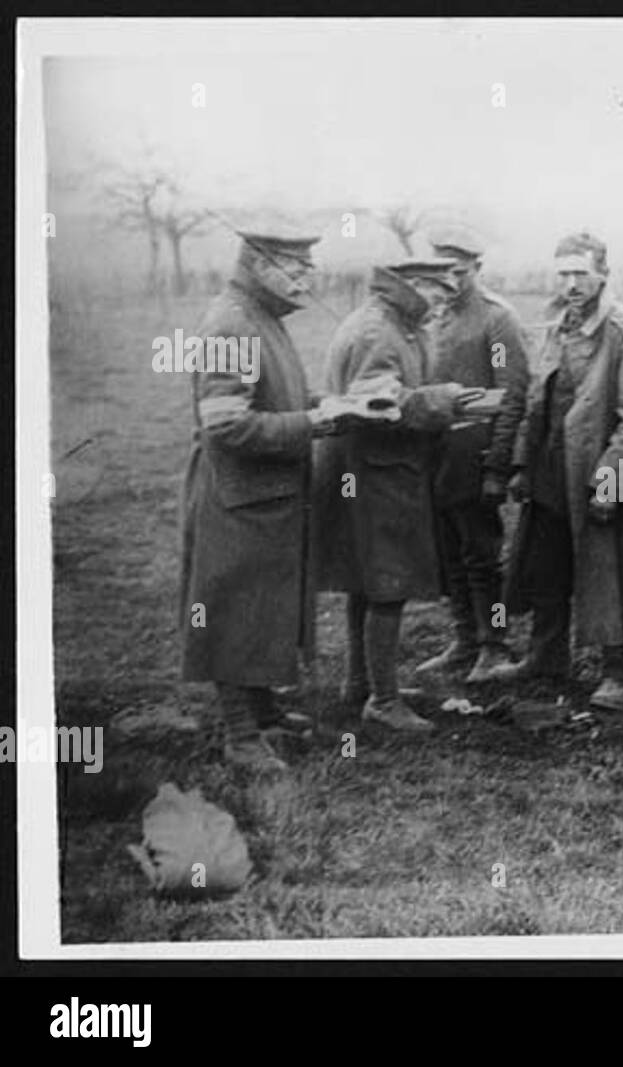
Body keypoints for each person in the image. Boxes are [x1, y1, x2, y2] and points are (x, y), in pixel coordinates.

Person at [181, 226, 380, 773]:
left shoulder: (261, 319)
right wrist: (315, 421)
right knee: (233, 610)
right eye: (297, 267)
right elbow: (226, 427)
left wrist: (340, 405)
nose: (308, 278)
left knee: (263, 609)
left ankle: (263, 712)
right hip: (238, 497)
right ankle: (240, 735)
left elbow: (279, 398)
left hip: (266, 495)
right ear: (258, 265)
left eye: (309, 266)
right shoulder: (233, 324)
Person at [494, 231, 623, 711]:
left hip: (602, 478)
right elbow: (537, 402)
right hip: (552, 475)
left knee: (612, 572)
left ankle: (621, 672)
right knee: (547, 568)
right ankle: (546, 657)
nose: (571, 283)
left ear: (603, 275)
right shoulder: (555, 327)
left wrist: (610, 482)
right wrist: (522, 466)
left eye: (581, 273)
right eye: (564, 272)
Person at [313, 260, 485, 731]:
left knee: (366, 580)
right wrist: (443, 400)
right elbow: (377, 408)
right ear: (413, 287)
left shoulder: (394, 323)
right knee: (387, 583)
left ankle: (362, 682)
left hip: (367, 470)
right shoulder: (379, 333)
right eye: (438, 289)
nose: (445, 298)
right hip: (374, 473)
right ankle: (383, 700)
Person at [413, 225, 531, 684]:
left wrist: (497, 465)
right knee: (449, 553)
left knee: (482, 554)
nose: (449, 281)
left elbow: (512, 395)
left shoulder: (496, 320)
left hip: (475, 454)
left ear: (477, 268)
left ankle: (494, 643)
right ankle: (464, 638)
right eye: (441, 272)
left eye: (458, 272)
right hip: (435, 454)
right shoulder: (432, 316)